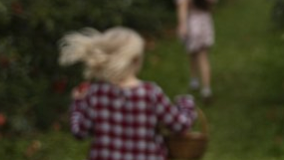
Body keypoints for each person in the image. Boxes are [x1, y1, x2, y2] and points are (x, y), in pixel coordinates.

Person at [58, 27, 195, 160]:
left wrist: (78, 104)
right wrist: (185, 105)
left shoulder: (95, 94)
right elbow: (180, 126)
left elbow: (80, 132)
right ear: (136, 60)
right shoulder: (150, 93)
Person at [175, 0, 218, 102]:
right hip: (205, 23)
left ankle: (197, 82)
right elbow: (212, 4)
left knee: (193, 53)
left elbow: (182, 10)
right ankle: (203, 87)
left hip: (191, 24)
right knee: (203, 56)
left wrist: (182, 26)